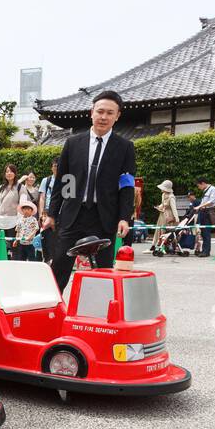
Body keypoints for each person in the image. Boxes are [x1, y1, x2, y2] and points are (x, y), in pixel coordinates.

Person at [43, 90, 136, 289]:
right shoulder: (73, 143)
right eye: (100, 111)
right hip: (72, 216)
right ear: (91, 112)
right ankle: (53, 311)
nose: (104, 117)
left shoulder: (125, 147)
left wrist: (124, 217)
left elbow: (127, 185)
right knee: (59, 266)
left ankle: (100, 313)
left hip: (104, 217)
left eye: (110, 113)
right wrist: (53, 213)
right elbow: (64, 181)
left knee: (103, 271)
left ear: (117, 116)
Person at [0, 163, 22, 250]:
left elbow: (22, 203)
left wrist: (19, 219)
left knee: (14, 246)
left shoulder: (20, 187)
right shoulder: (1, 187)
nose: (9, 173)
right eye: (7, 171)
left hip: (13, 221)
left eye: (11, 171)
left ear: (15, 173)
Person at [189, 178, 215, 257]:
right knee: (203, 232)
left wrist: (199, 206)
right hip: (203, 212)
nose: (198, 187)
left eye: (198, 185)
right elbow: (204, 201)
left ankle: (206, 251)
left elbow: (211, 201)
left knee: (206, 232)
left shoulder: (213, 189)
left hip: (208, 212)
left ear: (202, 183)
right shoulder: (205, 190)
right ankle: (204, 250)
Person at [39, 158, 59, 264]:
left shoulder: (66, 180)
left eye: (58, 165)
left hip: (60, 214)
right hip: (47, 213)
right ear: (51, 167)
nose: (56, 168)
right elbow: (42, 197)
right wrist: (42, 213)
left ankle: (56, 262)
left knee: (58, 239)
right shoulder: (46, 181)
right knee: (46, 239)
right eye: (54, 165)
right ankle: (47, 260)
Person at [151, 179, 179, 254]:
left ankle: (168, 246)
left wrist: (176, 218)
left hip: (169, 215)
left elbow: (174, 208)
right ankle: (157, 245)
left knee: (166, 231)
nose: (161, 189)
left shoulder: (171, 197)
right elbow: (163, 204)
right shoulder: (163, 195)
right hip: (162, 214)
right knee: (159, 229)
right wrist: (158, 207)